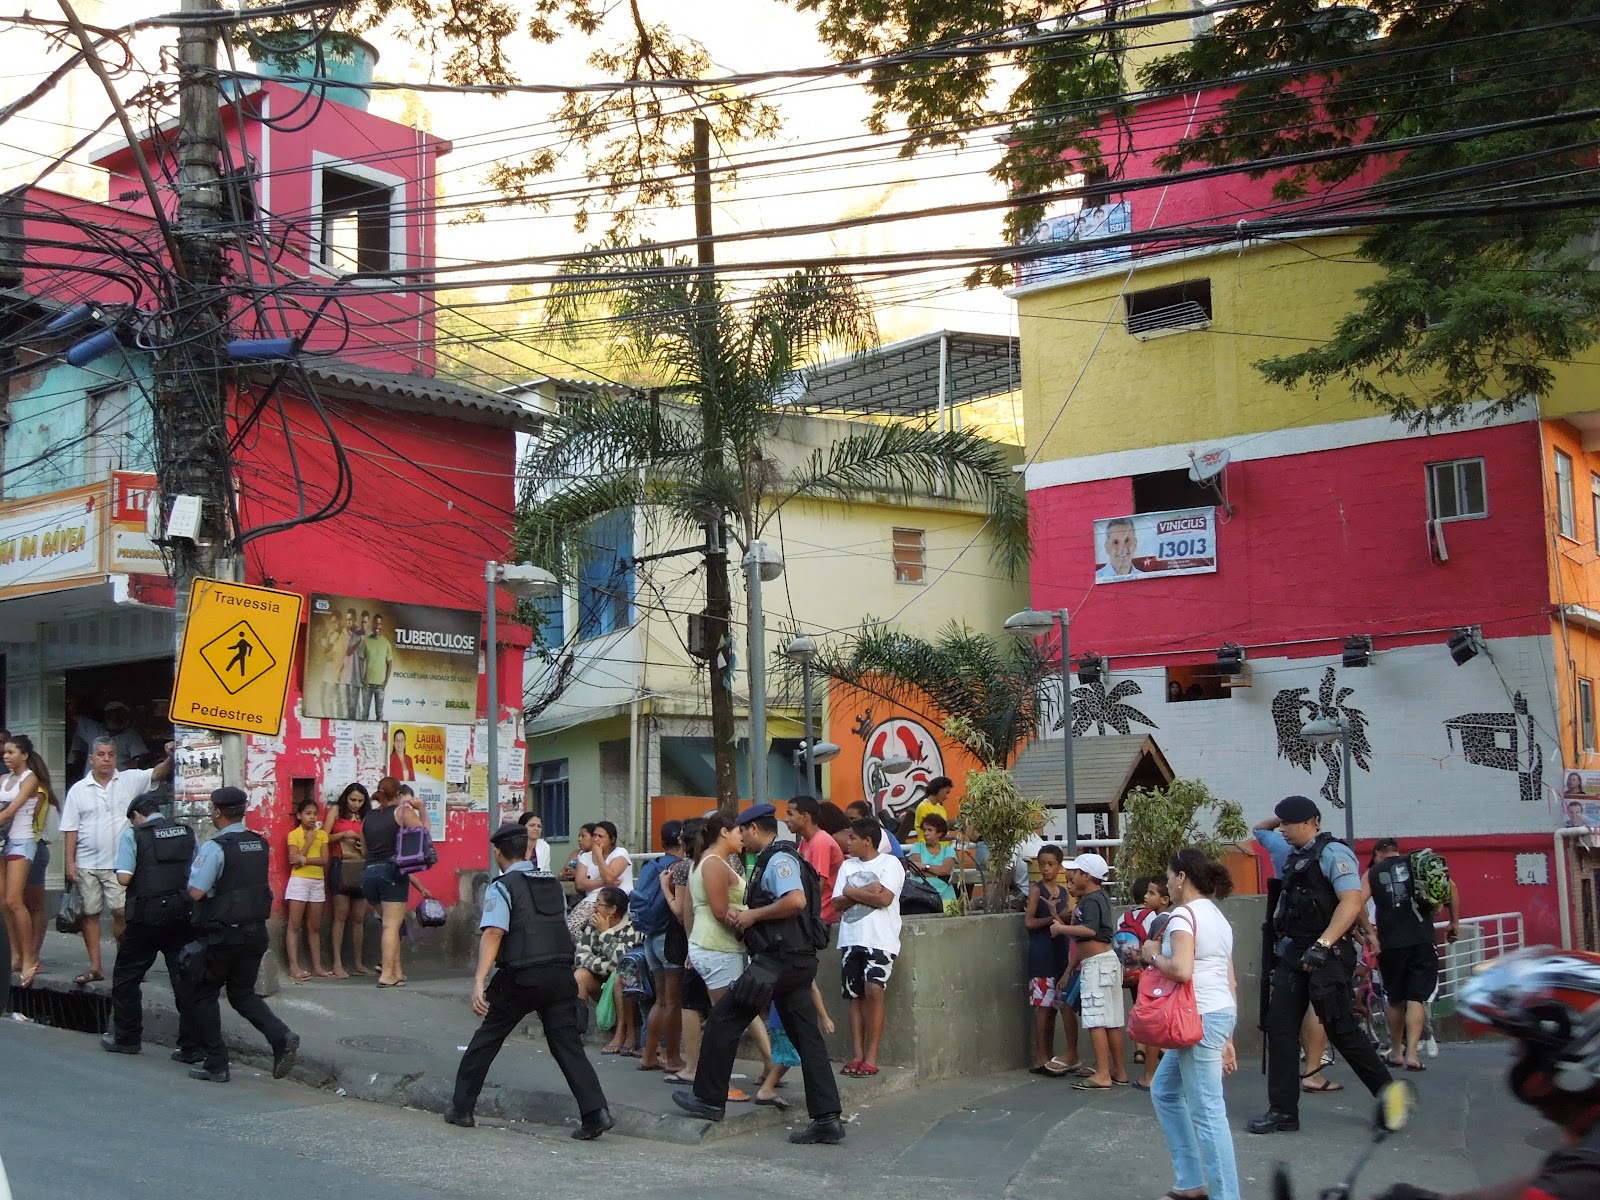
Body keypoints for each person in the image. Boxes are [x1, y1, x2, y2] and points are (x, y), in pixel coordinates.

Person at [674, 804, 845, 1145]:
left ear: (754, 828)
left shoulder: (779, 859)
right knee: (807, 1039)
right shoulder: (769, 859)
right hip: (792, 963)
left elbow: (795, 900)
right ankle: (827, 1118)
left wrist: (753, 916)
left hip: (777, 963)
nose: (740, 837)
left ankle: (708, 1100)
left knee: (724, 1019)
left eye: (742, 830)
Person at [1372, 948, 1600, 1200]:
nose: (1516, 1056)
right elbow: (1538, 1183)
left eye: (1527, 1046)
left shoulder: (1581, 1180)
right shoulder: (1582, 1161)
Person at [444, 823, 613, 1138]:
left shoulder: (502, 886)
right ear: (527, 850)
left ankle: (462, 1108)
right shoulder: (551, 883)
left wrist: (479, 980)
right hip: (561, 975)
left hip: (522, 976)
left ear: (498, 854)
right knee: (567, 1046)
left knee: (487, 1039)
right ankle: (596, 1112)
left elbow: (494, 932)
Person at [1248, 794, 1393, 1134]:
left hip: (1326, 956)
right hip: (1294, 953)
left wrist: (1325, 944)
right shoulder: (1292, 854)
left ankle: (1391, 1098)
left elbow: (1351, 901)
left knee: (1342, 1030)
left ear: (1311, 822)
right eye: (1280, 822)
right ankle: (1283, 1112)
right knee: (1280, 1029)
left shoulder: (1333, 853)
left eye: (1288, 823)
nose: (1281, 829)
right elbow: (1261, 829)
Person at [1141, 848, 1242, 1200]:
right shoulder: (1217, 916)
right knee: (1166, 1091)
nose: (1167, 882)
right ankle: (1190, 1183)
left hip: (1196, 1017)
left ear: (1182, 877)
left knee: (1208, 1113)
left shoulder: (1183, 917)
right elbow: (1229, 980)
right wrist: (1227, 1036)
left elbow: (1182, 970)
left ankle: (1223, 1194)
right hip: (1214, 1014)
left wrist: (1152, 954)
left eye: (1169, 875)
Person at [184, 787, 299, 1083]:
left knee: (203, 993)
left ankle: (216, 1063)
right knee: (242, 994)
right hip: (255, 934)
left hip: (223, 935)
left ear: (217, 812)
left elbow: (196, 892)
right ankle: (281, 1036)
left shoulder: (215, 847)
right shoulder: (258, 843)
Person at [61, 735, 174, 986]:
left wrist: (171, 756)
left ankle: (127, 964)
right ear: (91, 759)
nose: (106, 759)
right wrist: (69, 863)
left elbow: (157, 774)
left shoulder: (129, 780)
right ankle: (96, 967)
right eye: (101, 755)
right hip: (87, 862)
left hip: (120, 864)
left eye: (110, 754)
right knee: (89, 914)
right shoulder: (78, 790)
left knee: (122, 913)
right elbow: (71, 829)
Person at [101, 791, 201, 1061]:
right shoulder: (186, 832)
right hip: (182, 912)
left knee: (126, 977)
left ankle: (127, 1037)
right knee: (184, 979)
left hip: (146, 915)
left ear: (136, 815)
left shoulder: (134, 835)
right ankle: (192, 1047)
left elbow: (124, 878)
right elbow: (199, 872)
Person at [1253, 809, 1338, 1094]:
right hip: (1319, 936)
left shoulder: (1280, 849)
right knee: (1317, 1001)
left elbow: (1259, 828)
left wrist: (1279, 821)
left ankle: (1304, 1058)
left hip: (1285, 933)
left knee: (1291, 1001)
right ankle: (1314, 1064)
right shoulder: (1329, 852)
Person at [1363, 838, 1458, 1072]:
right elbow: (1452, 887)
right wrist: (1454, 922)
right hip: (1421, 939)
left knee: (1395, 999)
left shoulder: (1372, 873)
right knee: (1416, 998)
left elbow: (1355, 903)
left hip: (1390, 943)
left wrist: (1370, 934)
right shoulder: (1417, 864)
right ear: (1397, 851)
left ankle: (1396, 1051)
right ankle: (1413, 1054)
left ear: (1377, 854)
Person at [833, 816, 905, 1078]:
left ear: (867, 841)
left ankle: (872, 1056)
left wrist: (852, 892)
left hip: (880, 940)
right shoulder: (846, 867)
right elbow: (837, 903)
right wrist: (864, 892)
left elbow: (885, 898)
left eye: (853, 838)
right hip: (852, 939)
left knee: (874, 989)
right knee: (855, 996)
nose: (848, 842)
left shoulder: (891, 864)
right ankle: (857, 1055)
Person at [1054, 851, 1128, 1090]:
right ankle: (1119, 1071)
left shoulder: (1091, 901)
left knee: (1096, 1019)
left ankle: (1103, 1074)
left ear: (1087, 875)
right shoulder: (1100, 898)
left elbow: (1089, 931)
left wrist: (1061, 929)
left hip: (1097, 965)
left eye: (1075, 872)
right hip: (1103, 962)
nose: (1071, 877)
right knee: (1111, 1020)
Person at [360, 776, 425, 988]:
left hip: (369, 873)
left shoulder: (368, 817)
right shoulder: (401, 812)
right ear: (397, 794)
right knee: (391, 926)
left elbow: (364, 850)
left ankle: (396, 972)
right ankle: (386, 974)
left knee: (390, 925)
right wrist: (421, 809)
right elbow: (422, 834)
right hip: (392, 873)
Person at [635, 819, 686, 1073]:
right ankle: (673, 1057)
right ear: (680, 840)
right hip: (670, 939)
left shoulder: (650, 865)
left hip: (649, 937)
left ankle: (648, 1055)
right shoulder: (678, 868)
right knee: (673, 1001)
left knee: (660, 1000)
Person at [1, 734, 51, 987]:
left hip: (21, 841)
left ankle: (30, 958)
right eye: (5, 753)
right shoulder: (3, 779)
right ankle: (15, 954)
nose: (6, 756)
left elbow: (10, 811)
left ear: (24, 755)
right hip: (2, 842)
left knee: (14, 900)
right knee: (3, 902)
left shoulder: (30, 779)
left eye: (11, 752)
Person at [1025, 844, 1078, 1076]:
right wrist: (1053, 919)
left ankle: (1054, 1055)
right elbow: (1029, 923)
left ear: (1059, 866)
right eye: (1042, 864)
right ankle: (1040, 1056)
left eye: (1051, 864)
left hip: (1060, 952)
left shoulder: (1064, 891)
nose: (1046, 869)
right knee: (1043, 1008)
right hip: (1042, 953)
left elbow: (1066, 920)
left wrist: (1060, 918)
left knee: (1057, 1006)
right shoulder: (1037, 890)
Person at [574, 886, 643, 1054]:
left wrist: (606, 934)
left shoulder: (631, 927)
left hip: (627, 985)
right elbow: (580, 957)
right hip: (602, 981)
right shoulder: (593, 924)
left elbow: (624, 961)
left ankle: (622, 1033)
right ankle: (577, 1033)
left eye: (599, 903)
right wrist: (610, 968)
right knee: (580, 976)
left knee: (620, 976)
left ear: (612, 909)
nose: (594, 907)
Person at [1122, 875, 1173, 1088]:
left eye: (1152, 893)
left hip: (1158, 979)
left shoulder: (1161, 920)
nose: (1146, 896)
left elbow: (1153, 951)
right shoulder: (1170, 918)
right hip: (1165, 976)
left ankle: (1149, 1075)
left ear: (1164, 899)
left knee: (1155, 1029)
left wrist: (1138, 956)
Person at [323, 783, 371, 977]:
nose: (356, 804)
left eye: (360, 801)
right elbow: (323, 836)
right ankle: (337, 963)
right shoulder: (336, 811)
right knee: (340, 916)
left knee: (359, 918)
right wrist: (342, 834)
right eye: (353, 800)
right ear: (346, 798)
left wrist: (362, 841)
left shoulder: (367, 815)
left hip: (361, 864)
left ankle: (358, 963)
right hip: (339, 864)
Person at [285, 798, 332, 981]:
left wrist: (302, 859)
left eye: (314, 814)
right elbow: (293, 860)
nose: (312, 817)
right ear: (299, 815)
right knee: (294, 925)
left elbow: (324, 860)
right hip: (299, 881)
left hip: (317, 881)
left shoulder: (322, 835)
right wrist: (307, 843)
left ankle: (317, 966)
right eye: (308, 814)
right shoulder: (294, 835)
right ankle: (294, 966)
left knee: (314, 927)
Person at [787, 796, 844, 923]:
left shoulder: (821, 841)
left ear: (805, 816)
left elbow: (817, 887)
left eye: (790, 814)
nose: (786, 820)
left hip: (821, 918)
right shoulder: (805, 842)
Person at [909, 812, 959, 910]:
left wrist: (925, 866)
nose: (926, 833)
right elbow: (915, 870)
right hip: (920, 895)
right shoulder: (917, 847)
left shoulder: (948, 850)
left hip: (945, 895)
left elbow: (945, 871)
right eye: (924, 830)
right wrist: (939, 874)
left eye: (930, 830)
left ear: (939, 833)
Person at [576, 820, 633, 895]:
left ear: (612, 840)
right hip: (592, 899)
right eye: (594, 835)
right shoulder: (585, 856)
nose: (596, 839)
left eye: (600, 836)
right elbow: (579, 885)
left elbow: (609, 878)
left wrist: (599, 855)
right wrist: (604, 883)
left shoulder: (620, 853)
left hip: (617, 899)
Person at [358, 613, 395, 720]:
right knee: (364, 714)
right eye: (375, 623)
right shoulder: (366, 642)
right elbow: (360, 660)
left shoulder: (386, 643)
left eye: (379, 624)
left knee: (379, 714)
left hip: (380, 685)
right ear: (372, 624)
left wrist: (386, 681)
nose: (377, 626)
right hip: (367, 684)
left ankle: (379, 736)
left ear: (381, 625)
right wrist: (361, 678)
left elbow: (390, 663)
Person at [1095, 516, 1147, 582]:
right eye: (1116, 542)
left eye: (1127, 541)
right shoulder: (1098, 578)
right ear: (1107, 547)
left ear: (1135, 544)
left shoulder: (1144, 578)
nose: (1122, 549)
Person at [1011, 809, 1050, 896]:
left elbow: (1007, 870)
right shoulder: (1043, 845)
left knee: (976, 903)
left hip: (1022, 892)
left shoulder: (1016, 842)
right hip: (1042, 892)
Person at [99, 701, 149, 769]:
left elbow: (140, 758)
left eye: (120, 715)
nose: (116, 718)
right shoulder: (95, 731)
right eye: (112, 714)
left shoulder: (131, 735)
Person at [910, 776, 953, 844]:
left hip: (943, 850)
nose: (947, 797)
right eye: (946, 792)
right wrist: (955, 837)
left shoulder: (941, 808)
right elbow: (933, 834)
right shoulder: (923, 807)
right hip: (929, 850)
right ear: (939, 789)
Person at [341, 608, 364, 719]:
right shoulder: (344, 632)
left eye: (350, 619)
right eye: (347, 619)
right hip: (345, 672)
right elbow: (345, 652)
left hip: (356, 674)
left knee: (355, 704)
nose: (348, 622)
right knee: (346, 704)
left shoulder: (360, 633)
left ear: (355, 619)